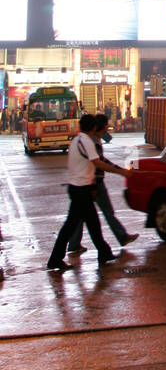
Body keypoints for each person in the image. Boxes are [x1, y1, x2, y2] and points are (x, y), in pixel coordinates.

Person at [46, 115, 126, 272]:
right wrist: (121, 172)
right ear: (94, 127)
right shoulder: (87, 142)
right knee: (71, 227)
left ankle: (104, 253)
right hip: (80, 190)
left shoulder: (76, 140)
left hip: (80, 188)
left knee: (93, 224)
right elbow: (99, 163)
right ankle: (55, 259)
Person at [66, 113, 138, 254]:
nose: (107, 128)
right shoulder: (91, 141)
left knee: (80, 217)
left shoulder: (82, 140)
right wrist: (121, 171)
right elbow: (99, 162)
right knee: (103, 215)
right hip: (92, 184)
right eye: (106, 125)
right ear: (97, 127)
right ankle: (118, 239)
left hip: (80, 185)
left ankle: (75, 244)